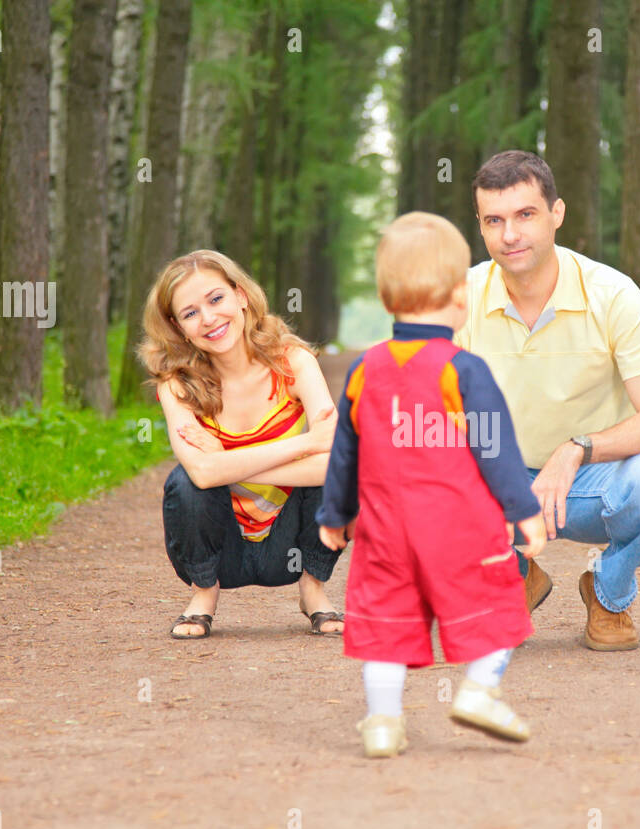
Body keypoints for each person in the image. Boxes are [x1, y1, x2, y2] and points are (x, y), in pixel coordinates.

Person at [317, 212, 547, 758]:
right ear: (457, 298)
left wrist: (333, 515)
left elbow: (345, 453)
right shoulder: (464, 370)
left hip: (384, 535)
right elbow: (496, 450)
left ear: (385, 295)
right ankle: (479, 691)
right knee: (496, 612)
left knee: (386, 626)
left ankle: (381, 724)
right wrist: (523, 509)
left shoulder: (365, 371)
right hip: (460, 531)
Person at [458, 150, 640, 652]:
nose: (510, 235)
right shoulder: (462, 298)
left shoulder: (613, 294)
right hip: (502, 486)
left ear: (556, 214)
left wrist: (576, 448)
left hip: (589, 485)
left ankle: (609, 592)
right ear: (479, 226)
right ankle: (515, 575)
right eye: (494, 221)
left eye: (526, 215)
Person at [141, 249, 345, 640]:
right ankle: (204, 595)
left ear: (241, 296)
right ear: (178, 327)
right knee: (183, 482)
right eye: (190, 313)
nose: (209, 319)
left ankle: (313, 588)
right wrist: (305, 444)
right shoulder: (177, 384)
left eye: (216, 299)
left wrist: (229, 462)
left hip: (290, 545)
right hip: (223, 552)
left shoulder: (293, 361)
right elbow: (201, 473)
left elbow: (334, 465)